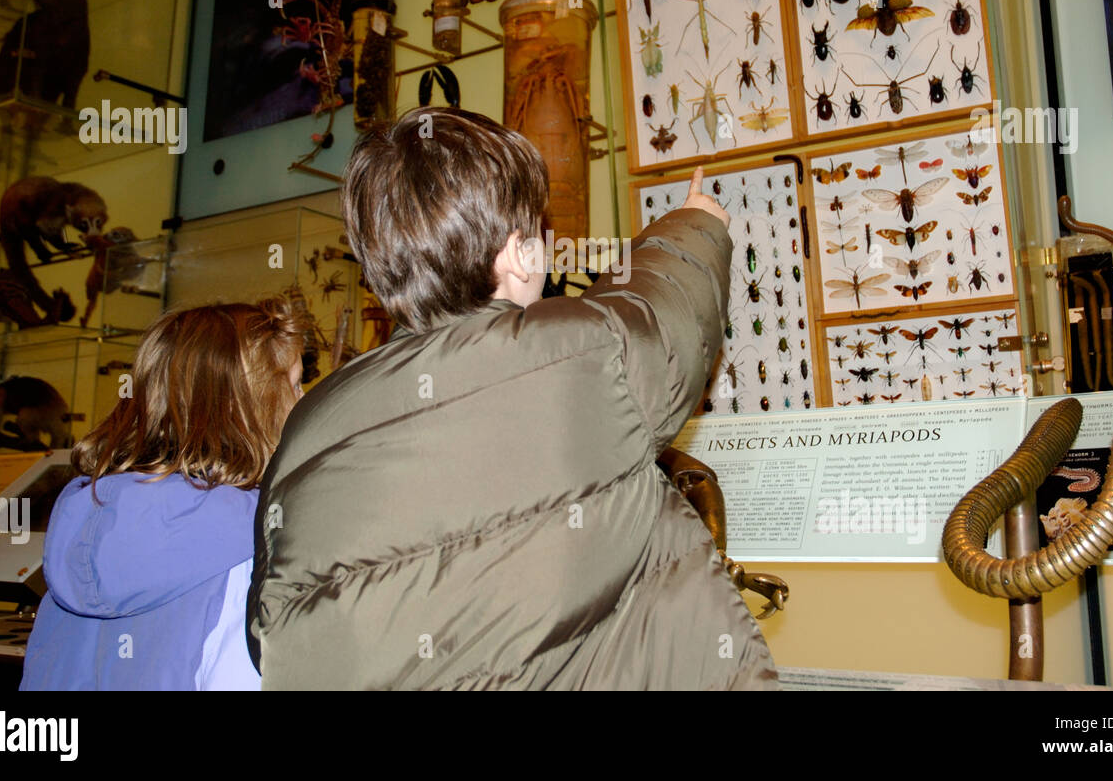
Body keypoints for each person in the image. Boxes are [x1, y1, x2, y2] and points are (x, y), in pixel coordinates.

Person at [248, 107, 777, 690]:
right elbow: (661, 313)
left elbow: (270, 631)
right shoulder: (586, 361)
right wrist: (695, 223)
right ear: (515, 254)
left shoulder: (310, 424)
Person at [20, 298, 307, 690]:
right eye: (294, 384)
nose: (304, 399)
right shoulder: (250, 536)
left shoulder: (85, 512)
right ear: (254, 406)